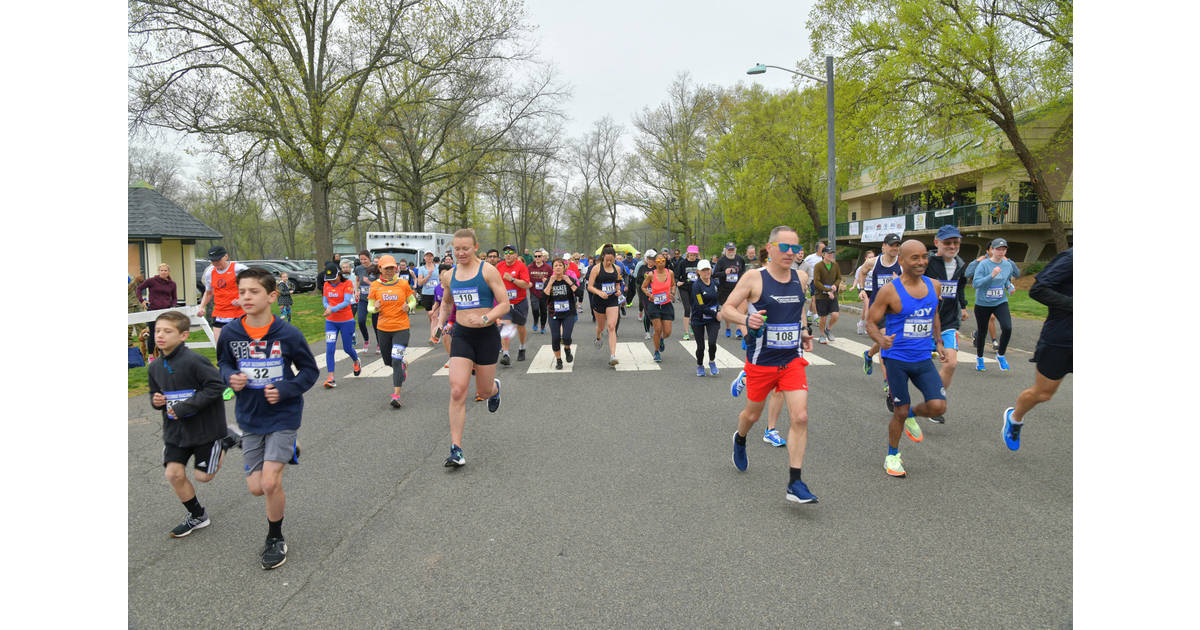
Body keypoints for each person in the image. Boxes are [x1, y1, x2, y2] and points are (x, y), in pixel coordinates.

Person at [216, 267, 319, 569]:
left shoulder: (288, 334)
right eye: (242, 291)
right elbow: (223, 363)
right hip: (249, 417)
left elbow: (310, 371)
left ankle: (275, 537)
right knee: (256, 487)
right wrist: (230, 377)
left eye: (254, 291)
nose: (246, 297)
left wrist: (287, 389)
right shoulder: (232, 332)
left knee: (271, 483)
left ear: (272, 296)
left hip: (283, 414)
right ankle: (286, 450)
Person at [723, 226, 818, 504]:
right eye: (785, 247)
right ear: (770, 248)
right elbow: (726, 309)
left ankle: (795, 482)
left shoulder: (800, 277)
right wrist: (745, 321)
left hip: (791, 360)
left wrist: (803, 332)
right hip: (761, 362)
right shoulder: (754, 278)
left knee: (800, 417)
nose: (791, 253)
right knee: (751, 416)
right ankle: (740, 439)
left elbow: (798, 308)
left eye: (795, 248)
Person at [865, 240, 948, 478]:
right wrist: (880, 342)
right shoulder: (890, 290)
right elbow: (871, 321)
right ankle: (892, 455)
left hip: (923, 358)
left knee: (938, 406)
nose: (921, 261)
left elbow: (934, 315)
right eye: (915, 258)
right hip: (896, 359)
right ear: (901, 260)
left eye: (924, 257)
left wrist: (939, 342)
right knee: (898, 412)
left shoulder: (935, 286)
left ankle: (913, 412)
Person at [147, 310, 230, 538]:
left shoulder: (195, 361)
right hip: (176, 432)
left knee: (204, 477)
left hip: (205, 430)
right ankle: (197, 515)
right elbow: (156, 397)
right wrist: (157, 401)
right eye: (157, 331)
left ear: (183, 336)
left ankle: (226, 441)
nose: (160, 335)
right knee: (173, 474)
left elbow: (216, 387)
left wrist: (184, 407)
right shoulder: (154, 367)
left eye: (167, 331)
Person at [432, 229, 508, 467]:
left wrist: (486, 318)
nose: (461, 253)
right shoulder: (450, 275)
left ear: (475, 247)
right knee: (457, 390)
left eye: (465, 248)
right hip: (462, 335)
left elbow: (504, 304)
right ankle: (456, 449)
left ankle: (493, 390)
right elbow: (446, 302)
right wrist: (440, 323)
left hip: (486, 335)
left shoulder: (488, 271)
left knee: (482, 392)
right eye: (457, 249)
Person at [1003, 248, 1072, 450]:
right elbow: (1038, 289)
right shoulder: (1071, 258)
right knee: (1043, 393)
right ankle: (1015, 418)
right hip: (1062, 338)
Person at [923, 226, 969, 423]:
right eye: (947, 242)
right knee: (911, 366)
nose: (952, 246)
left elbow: (960, 289)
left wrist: (964, 307)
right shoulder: (925, 262)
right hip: (923, 321)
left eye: (956, 243)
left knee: (951, 363)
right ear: (937, 243)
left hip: (949, 321)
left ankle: (934, 404)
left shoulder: (961, 264)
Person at [367, 255, 417, 408]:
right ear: (380, 269)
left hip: (401, 328)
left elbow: (413, 300)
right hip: (383, 329)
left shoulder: (402, 283)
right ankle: (402, 365)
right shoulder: (375, 286)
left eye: (392, 268)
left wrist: (409, 307)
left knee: (395, 359)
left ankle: (396, 395)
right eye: (386, 268)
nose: (389, 271)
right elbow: (370, 307)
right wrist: (374, 308)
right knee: (388, 361)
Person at [862, 233, 903, 411]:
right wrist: (862, 289)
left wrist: (898, 283)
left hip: (894, 308)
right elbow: (862, 272)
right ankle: (888, 381)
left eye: (897, 245)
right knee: (886, 341)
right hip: (878, 308)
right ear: (884, 246)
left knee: (885, 341)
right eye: (892, 245)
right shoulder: (874, 262)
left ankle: (869, 355)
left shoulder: (901, 263)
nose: (895, 248)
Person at [971, 238, 1020, 371]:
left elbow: (1005, 281)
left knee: (1007, 327)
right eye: (998, 249)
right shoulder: (984, 265)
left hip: (1000, 302)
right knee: (982, 332)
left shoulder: (1007, 265)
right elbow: (975, 284)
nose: (1001, 251)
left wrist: (1009, 287)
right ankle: (980, 359)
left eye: (1003, 249)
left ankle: (1001, 355)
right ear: (991, 250)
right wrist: (991, 275)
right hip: (982, 304)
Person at [320, 262, 361, 389]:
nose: (331, 282)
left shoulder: (347, 283)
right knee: (330, 348)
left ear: (339, 274)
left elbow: (346, 301)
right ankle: (331, 377)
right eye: (329, 280)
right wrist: (328, 308)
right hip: (331, 322)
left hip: (346, 321)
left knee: (347, 348)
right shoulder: (327, 284)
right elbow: (325, 301)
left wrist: (332, 309)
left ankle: (356, 361)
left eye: (333, 278)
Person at [198, 245, 249, 344]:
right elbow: (208, 293)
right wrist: (202, 307)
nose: (215, 263)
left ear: (226, 256)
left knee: (241, 345)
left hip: (239, 312)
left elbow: (254, 286)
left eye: (218, 260)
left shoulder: (239, 269)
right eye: (213, 261)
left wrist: (242, 300)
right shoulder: (210, 273)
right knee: (220, 346)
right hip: (220, 313)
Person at [589, 244, 627, 366]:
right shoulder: (596, 268)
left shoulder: (617, 268)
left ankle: (612, 356)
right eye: (607, 260)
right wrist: (599, 292)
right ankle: (598, 336)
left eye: (612, 260)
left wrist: (618, 290)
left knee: (611, 326)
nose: (609, 262)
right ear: (603, 257)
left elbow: (617, 282)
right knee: (601, 327)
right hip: (599, 301)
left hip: (612, 300)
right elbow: (589, 287)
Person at [496, 244, 532, 364]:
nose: (508, 255)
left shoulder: (521, 266)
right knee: (505, 325)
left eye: (510, 253)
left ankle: (522, 347)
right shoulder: (499, 266)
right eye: (505, 253)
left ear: (516, 255)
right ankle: (506, 354)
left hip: (519, 302)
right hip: (505, 303)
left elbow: (526, 284)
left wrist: (512, 279)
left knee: (521, 326)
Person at [138, 263, 178, 359]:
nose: (163, 272)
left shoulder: (172, 284)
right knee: (152, 333)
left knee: (163, 333)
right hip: (152, 310)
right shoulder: (152, 281)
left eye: (165, 270)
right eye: (161, 270)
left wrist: (172, 306)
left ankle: (162, 355)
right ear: (158, 271)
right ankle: (151, 356)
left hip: (165, 312)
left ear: (168, 272)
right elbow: (139, 288)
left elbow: (174, 298)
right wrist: (142, 301)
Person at [544, 258, 579, 369]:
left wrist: (569, 282)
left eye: (560, 265)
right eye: (556, 265)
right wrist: (550, 282)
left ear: (564, 268)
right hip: (553, 313)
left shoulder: (569, 279)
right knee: (555, 338)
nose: (558, 267)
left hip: (569, 313)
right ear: (553, 268)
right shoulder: (549, 280)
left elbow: (580, 293)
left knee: (566, 337)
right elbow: (543, 298)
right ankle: (559, 360)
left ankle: (567, 349)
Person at [642, 253, 676, 363]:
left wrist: (672, 292)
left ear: (665, 262)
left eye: (662, 260)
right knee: (657, 329)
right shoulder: (651, 275)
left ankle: (661, 339)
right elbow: (643, 287)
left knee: (667, 332)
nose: (661, 262)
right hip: (654, 304)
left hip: (666, 304)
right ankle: (656, 352)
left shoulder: (670, 273)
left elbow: (673, 285)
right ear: (655, 263)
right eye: (658, 261)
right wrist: (649, 295)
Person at [689, 259, 720, 376]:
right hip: (698, 319)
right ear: (698, 272)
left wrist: (721, 309)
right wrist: (716, 313)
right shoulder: (696, 286)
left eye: (708, 269)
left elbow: (721, 298)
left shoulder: (715, 283)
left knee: (712, 343)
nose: (706, 272)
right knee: (700, 346)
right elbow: (700, 305)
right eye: (703, 270)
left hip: (713, 319)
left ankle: (712, 362)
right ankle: (700, 365)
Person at [714, 242, 746, 339]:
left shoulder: (740, 259)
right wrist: (724, 272)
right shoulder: (721, 261)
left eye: (732, 250)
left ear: (735, 250)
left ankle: (738, 330)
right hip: (724, 289)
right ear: (726, 250)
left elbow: (743, 271)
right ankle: (728, 328)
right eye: (729, 250)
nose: (731, 252)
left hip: (737, 288)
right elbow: (715, 274)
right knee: (727, 309)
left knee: (739, 309)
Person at [812, 246, 843, 343]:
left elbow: (839, 278)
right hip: (821, 295)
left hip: (833, 294)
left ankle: (828, 330)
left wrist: (835, 285)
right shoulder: (818, 266)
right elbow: (816, 282)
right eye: (828, 253)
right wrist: (827, 290)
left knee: (835, 315)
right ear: (823, 255)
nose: (831, 255)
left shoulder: (835, 265)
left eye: (832, 253)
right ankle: (821, 335)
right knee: (823, 317)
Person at [675, 246, 701, 341]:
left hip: (696, 289)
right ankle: (686, 332)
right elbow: (676, 276)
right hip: (684, 288)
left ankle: (692, 326)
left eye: (694, 254)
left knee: (697, 308)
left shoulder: (699, 263)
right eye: (691, 254)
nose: (693, 256)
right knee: (687, 309)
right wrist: (677, 282)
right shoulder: (682, 263)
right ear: (687, 254)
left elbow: (705, 274)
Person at [527, 249, 552, 335]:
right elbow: (526, 278)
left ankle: (542, 326)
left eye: (539, 256)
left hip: (544, 292)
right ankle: (535, 321)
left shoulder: (548, 267)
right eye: (536, 256)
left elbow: (552, 279)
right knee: (535, 309)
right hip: (534, 292)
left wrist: (547, 281)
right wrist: (527, 283)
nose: (537, 258)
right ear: (534, 258)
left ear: (542, 257)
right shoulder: (529, 267)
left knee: (544, 311)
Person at [416, 250, 441, 331]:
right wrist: (428, 276)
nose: (429, 258)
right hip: (426, 294)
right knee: (431, 316)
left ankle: (435, 334)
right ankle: (434, 331)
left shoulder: (438, 267)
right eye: (427, 256)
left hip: (437, 294)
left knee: (435, 315)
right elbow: (419, 283)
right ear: (424, 258)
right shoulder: (422, 269)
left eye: (431, 256)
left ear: (433, 257)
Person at [634, 249, 656, 339]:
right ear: (646, 259)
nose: (651, 260)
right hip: (645, 293)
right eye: (649, 259)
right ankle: (647, 332)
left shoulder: (658, 269)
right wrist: (646, 280)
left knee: (654, 313)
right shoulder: (642, 268)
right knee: (647, 313)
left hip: (656, 294)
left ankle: (653, 326)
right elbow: (638, 279)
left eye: (653, 259)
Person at [853, 250, 877, 335]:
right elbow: (857, 278)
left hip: (873, 289)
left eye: (873, 257)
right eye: (869, 257)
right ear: (866, 258)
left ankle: (861, 323)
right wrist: (854, 286)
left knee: (865, 308)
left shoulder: (876, 266)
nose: (871, 259)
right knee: (868, 307)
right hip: (864, 290)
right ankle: (869, 326)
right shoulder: (861, 267)